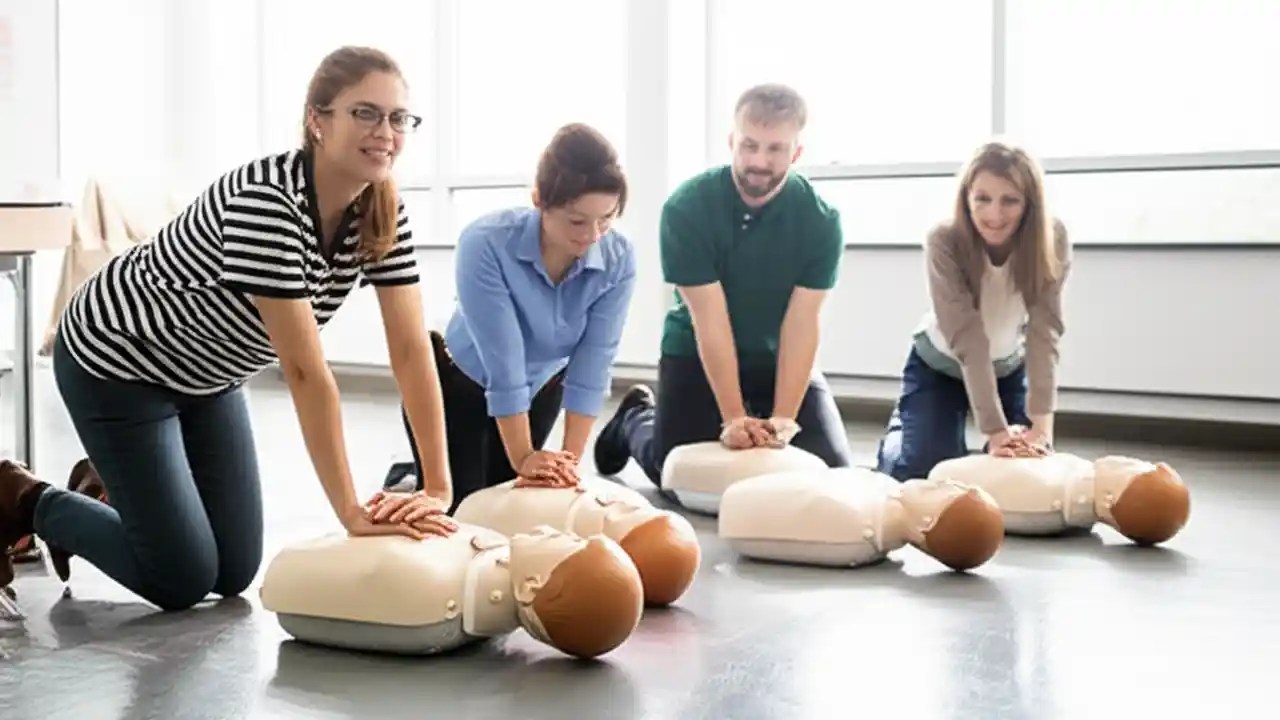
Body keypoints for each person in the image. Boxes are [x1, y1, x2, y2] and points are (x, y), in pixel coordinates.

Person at [0, 46, 456, 610]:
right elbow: (306, 373)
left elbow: (412, 350)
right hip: (117, 360)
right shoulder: (268, 202)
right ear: (317, 120)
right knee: (182, 579)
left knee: (233, 570)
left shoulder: (382, 211)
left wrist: (438, 488)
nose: (385, 131)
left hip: (209, 377)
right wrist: (352, 515)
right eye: (365, 113)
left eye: (397, 117)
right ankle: (25, 497)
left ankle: (108, 482)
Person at [592, 83, 852, 489]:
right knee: (680, 478)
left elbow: (802, 323)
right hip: (696, 351)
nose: (759, 161)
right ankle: (634, 419)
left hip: (776, 357)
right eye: (749, 145)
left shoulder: (822, 221)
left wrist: (783, 423)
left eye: (775, 149)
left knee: (829, 474)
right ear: (732, 140)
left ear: (796, 153)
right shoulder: (687, 208)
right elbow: (709, 320)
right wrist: (733, 418)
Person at [383, 123, 636, 513]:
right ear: (539, 200)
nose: (592, 235)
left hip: (538, 391)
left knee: (510, 510)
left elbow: (593, 365)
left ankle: (420, 473)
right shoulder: (485, 243)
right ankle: (411, 477)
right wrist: (523, 456)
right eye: (576, 220)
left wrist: (567, 465)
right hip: (458, 385)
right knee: (464, 512)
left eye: (606, 219)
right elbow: (505, 360)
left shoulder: (618, 259)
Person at [874, 140, 1072, 481]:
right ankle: (901, 433)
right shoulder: (944, 240)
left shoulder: (1051, 238)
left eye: (1010, 200)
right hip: (939, 365)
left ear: (1030, 204)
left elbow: (1045, 331)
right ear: (966, 198)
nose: (995, 215)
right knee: (922, 472)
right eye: (983, 199)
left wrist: (1041, 429)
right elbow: (968, 337)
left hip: (1007, 369)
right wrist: (995, 432)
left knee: (1024, 469)